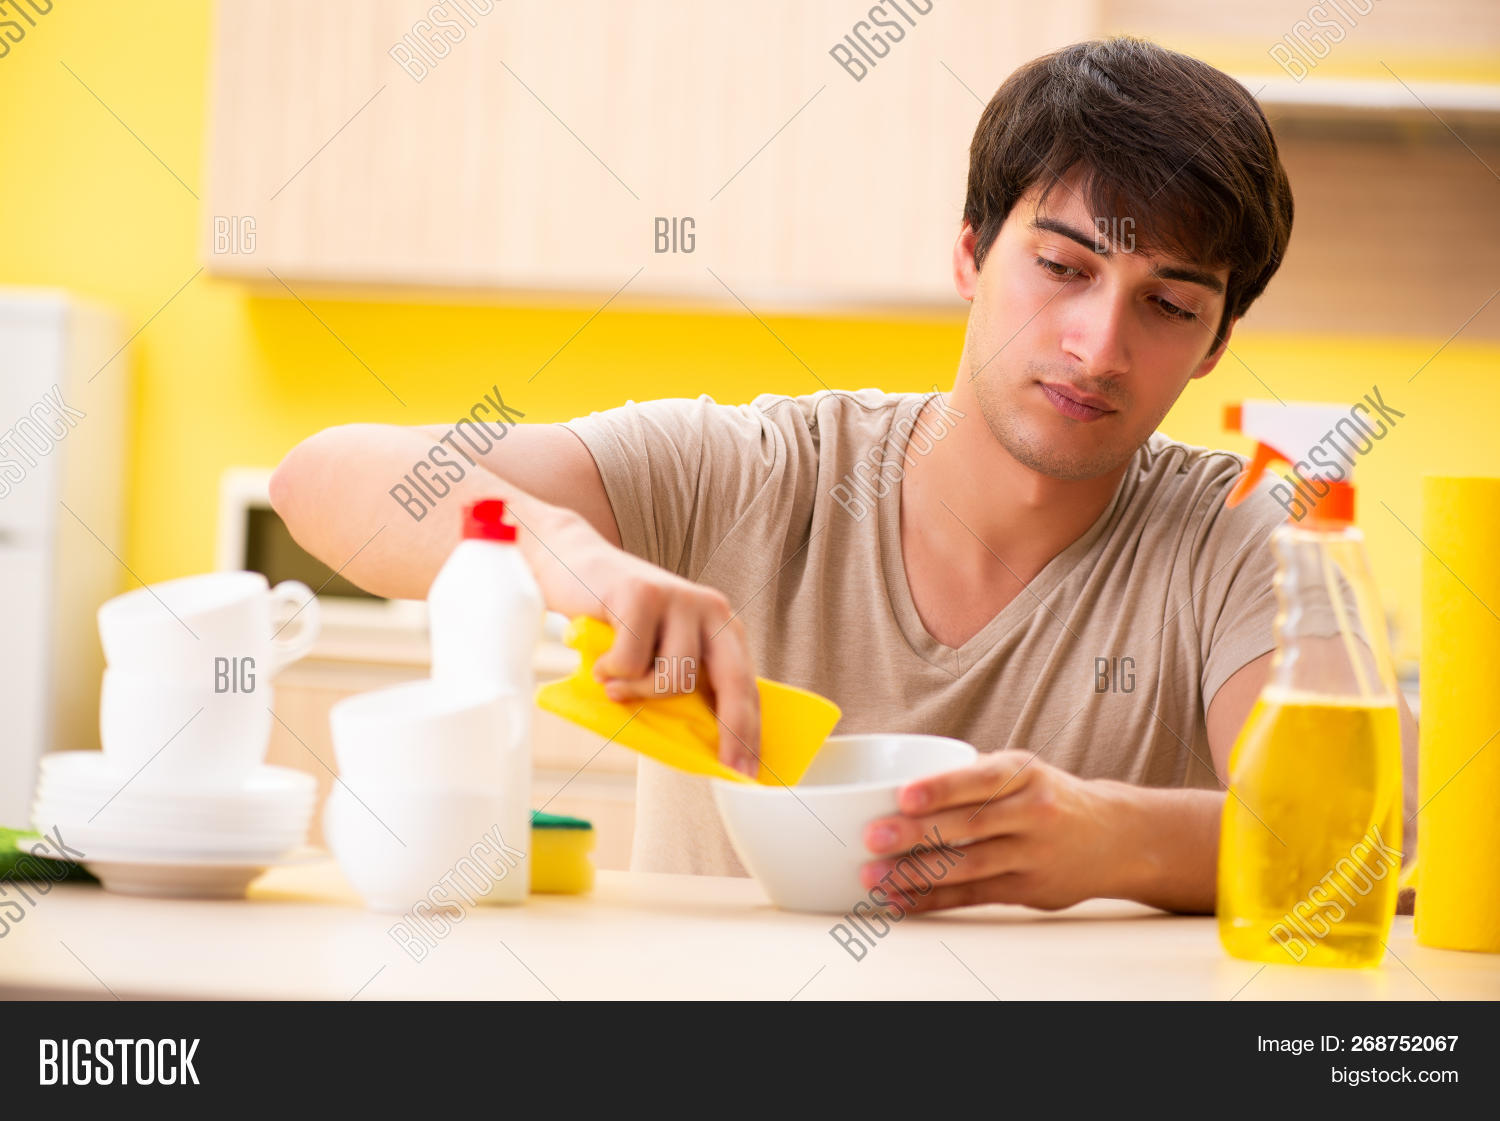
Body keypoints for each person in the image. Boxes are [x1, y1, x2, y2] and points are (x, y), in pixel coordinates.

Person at [271, 36, 1417, 914]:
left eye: (1169, 305)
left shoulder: (1240, 537)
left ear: (1215, 343)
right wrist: (581, 567)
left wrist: (1102, 838)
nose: (1098, 344)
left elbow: (1357, 846)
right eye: (1063, 266)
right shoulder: (756, 471)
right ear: (970, 254)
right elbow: (325, 477)